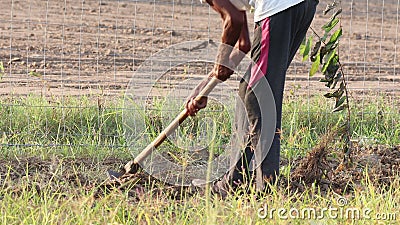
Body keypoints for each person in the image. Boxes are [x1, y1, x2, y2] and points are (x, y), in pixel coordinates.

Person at [187, 0, 319, 196]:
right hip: (299, 6)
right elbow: (243, 43)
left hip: (279, 8)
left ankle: (266, 184)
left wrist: (219, 63)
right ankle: (236, 181)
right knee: (252, 93)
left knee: (256, 95)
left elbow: (233, 19)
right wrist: (208, 82)